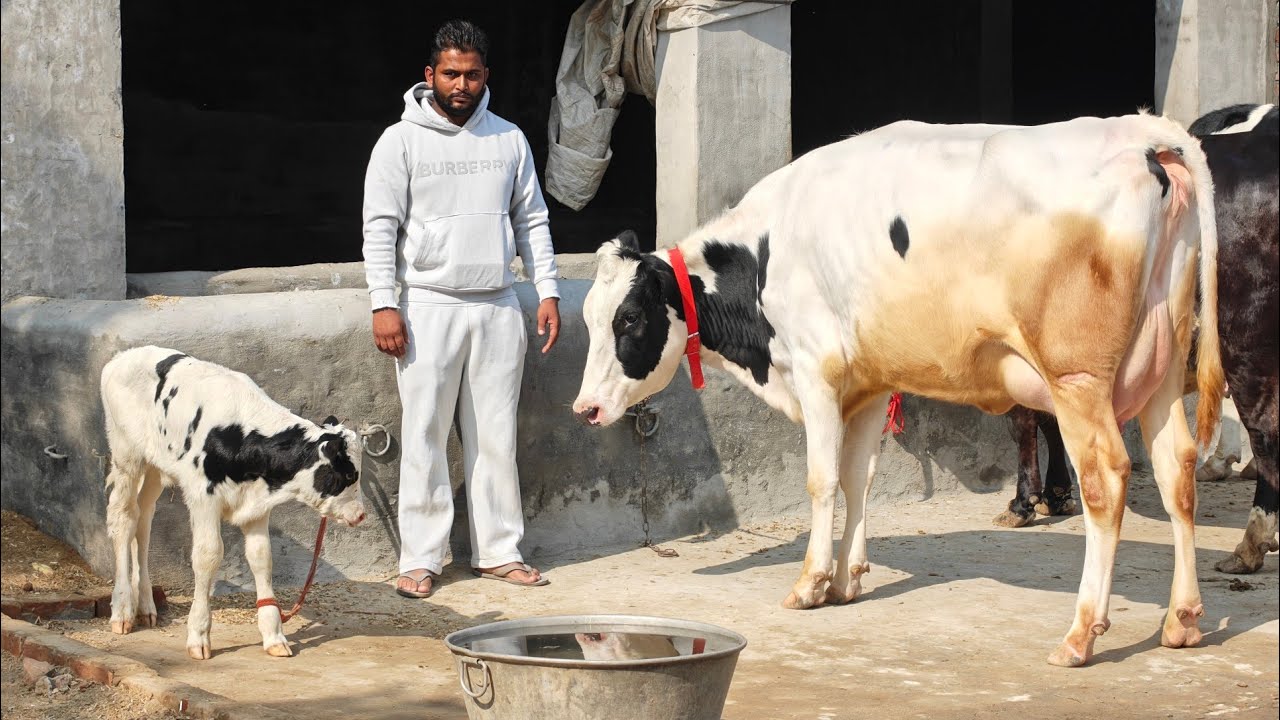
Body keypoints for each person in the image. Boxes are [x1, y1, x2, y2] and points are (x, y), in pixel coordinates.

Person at [362, 19, 560, 598]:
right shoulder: (399, 141)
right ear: (429, 75)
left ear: (485, 77)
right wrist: (383, 303)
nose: (461, 84)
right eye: (450, 73)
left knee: (495, 435)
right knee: (423, 433)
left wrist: (546, 290)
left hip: (498, 305)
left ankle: (499, 551)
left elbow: (532, 220)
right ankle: (421, 558)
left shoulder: (509, 139)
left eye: (472, 75)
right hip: (426, 307)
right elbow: (380, 228)